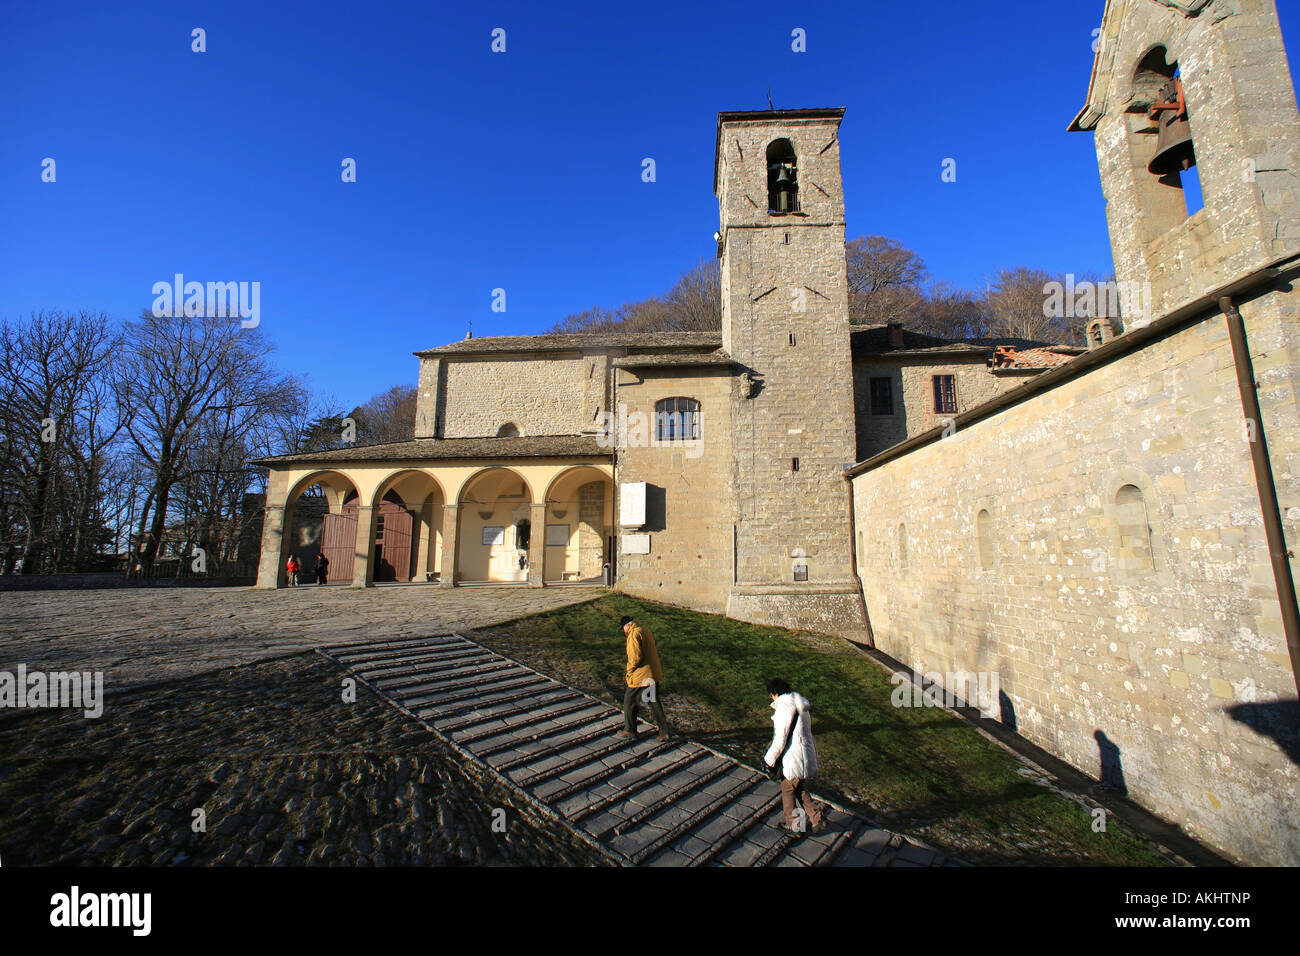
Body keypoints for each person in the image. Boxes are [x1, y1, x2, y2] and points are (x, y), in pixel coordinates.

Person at [763, 678, 825, 833]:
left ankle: (794, 826)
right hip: (806, 754)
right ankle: (817, 819)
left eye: (771, 695)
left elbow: (780, 739)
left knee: (788, 789)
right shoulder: (801, 706)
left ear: (775, 693)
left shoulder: (784, 709)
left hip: (794, 757)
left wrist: (768, 760)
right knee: (798, 787)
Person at [618, 615, 671, 741]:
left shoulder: (633, 635)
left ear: (628, 625)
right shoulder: (645, 630)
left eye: (623, 628)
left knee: (629, 701)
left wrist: (629, 672)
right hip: (652, 673)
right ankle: (664, 732)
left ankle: (630, 730)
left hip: (641, 675)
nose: (623, 631)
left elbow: (634, 658)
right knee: (654, 701)